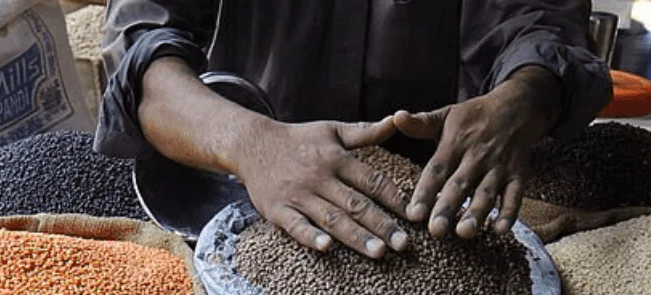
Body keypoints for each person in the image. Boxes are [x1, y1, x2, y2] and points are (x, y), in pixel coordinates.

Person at [96, 1, 612, 258]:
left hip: (433, 213)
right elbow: (142, 60)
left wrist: (522, 98)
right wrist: (253, 146)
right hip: (232, 195)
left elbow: (541, 28)